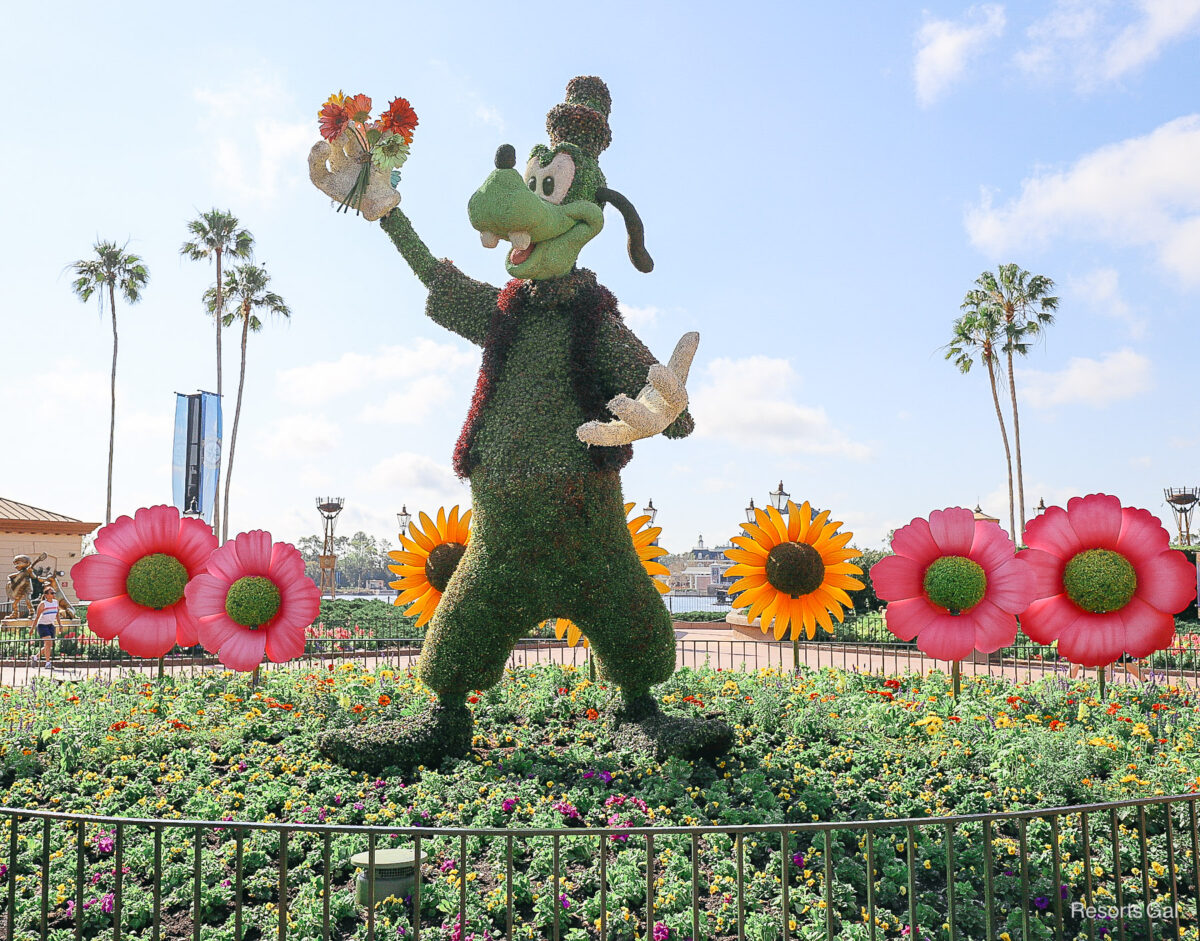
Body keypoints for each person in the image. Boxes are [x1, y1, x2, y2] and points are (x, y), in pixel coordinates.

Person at [31, 583, 63, 665]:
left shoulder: (56, 602)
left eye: (54, 593)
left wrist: (60, 625)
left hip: (51, 625)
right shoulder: (42, 604)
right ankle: (48, 663)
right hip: (42, 625)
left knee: (49, 645)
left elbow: (57, 615)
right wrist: (32, 629)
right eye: (51, 593)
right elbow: (37, 617)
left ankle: (35, 657)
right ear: (46, 595)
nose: (53, 594)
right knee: (48, 642)